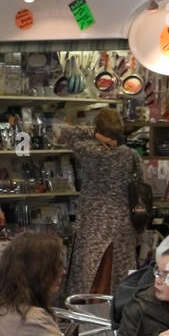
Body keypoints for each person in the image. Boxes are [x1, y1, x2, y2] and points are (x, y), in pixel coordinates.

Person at [57, 107, 142, 294]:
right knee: (120, 274)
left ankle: (88, 314)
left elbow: (66, 132)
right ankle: (118, 314)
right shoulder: (131, 155)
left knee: (89, 273)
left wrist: (95, 134)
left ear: (99, 129)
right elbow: (140, 187)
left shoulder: (90, 152)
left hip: (92, 220)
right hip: (122, 221)